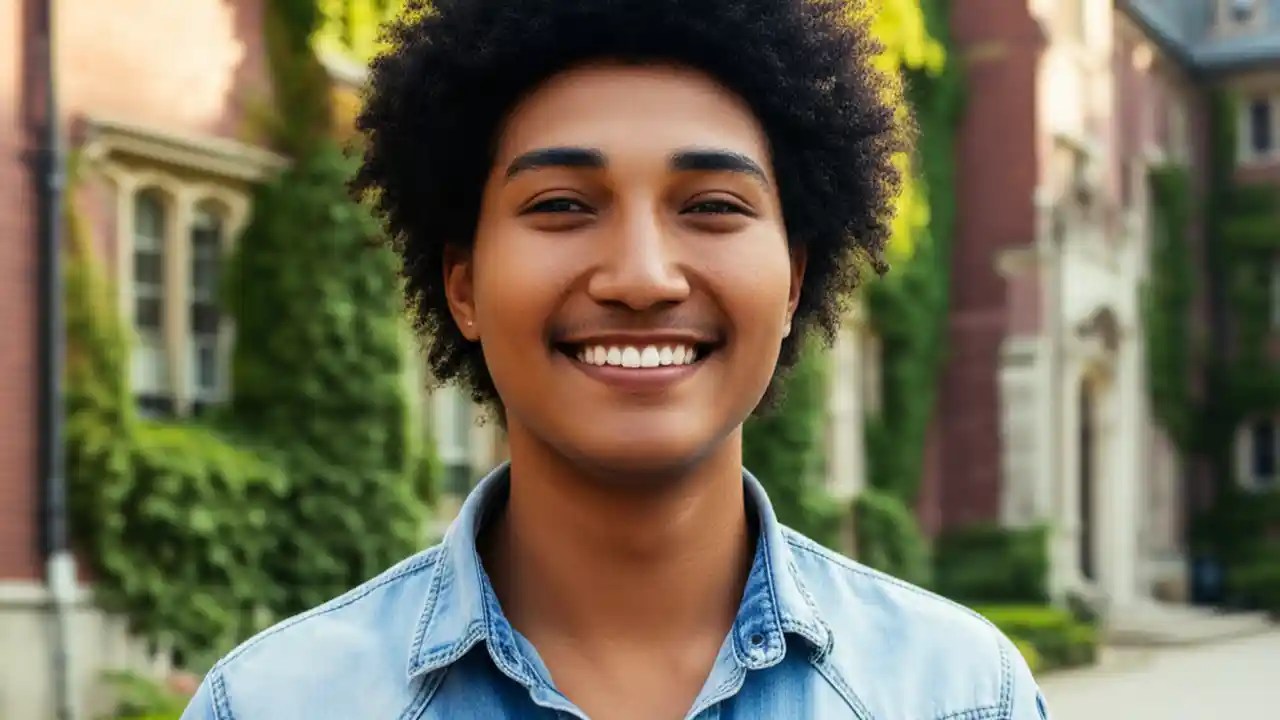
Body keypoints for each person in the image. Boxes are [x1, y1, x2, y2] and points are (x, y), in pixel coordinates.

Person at [182, 0, 1050, 718]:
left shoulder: (961, 695)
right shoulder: (271, 704)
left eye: (712, 205)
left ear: (791, 283)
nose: (642, 277)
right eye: (561, 204)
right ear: (464, 286)